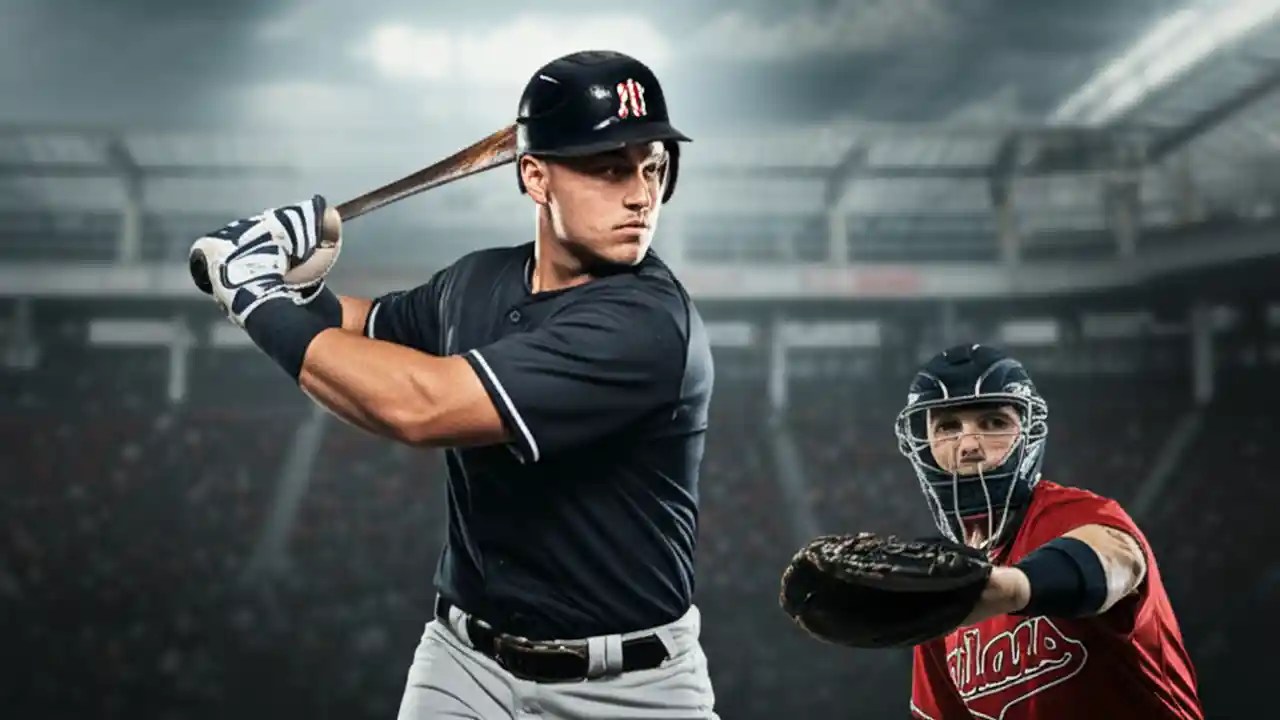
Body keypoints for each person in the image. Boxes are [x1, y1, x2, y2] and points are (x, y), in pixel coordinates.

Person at [188, 50, 717, 720]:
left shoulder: (647, 324)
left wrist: (256, 298)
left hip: (629, 687)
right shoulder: (476, 281)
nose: (641, 194)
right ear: (535, 176)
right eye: (610, 168)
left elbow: (420, 405)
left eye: (653, 167)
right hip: (465, 664)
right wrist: (298, 284)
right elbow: (361, 331)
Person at [895, 344, 1202, 720]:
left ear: (1028, 433)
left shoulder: (1077, 515)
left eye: (993, 423)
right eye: (947, 427)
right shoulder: (936, 587)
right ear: (923, 446)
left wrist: (1005, 587)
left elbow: (1113, 560)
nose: (969, 445)